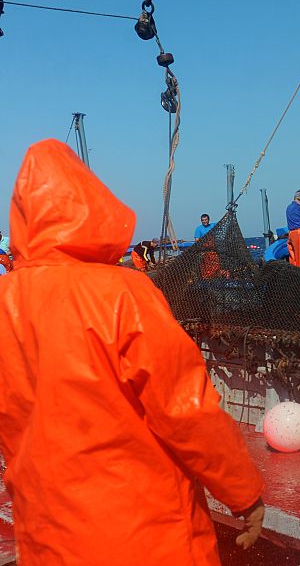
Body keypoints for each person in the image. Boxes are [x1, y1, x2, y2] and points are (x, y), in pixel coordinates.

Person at [0, 139, 266, 564]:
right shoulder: (123, 294)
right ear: (91, 201)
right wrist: (243, 492)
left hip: (48, 536)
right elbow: (185, 409)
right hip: (147, 535)